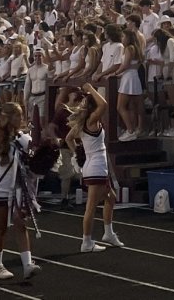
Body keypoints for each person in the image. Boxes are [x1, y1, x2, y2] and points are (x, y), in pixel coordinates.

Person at [0, 96, 40, 281]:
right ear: (7, 117)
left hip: (20, 189)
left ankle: (27, 265)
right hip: (2, 188)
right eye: (17, 115)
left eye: (21, 115)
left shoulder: (23, 137)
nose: (20, 118)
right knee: (1, 229)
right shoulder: (0, 135)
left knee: (21, 225)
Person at [66, 81, 125, 251]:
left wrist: (78, 152)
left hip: (95, 165)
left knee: (111, 197)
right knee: (91, 207)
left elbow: (69, 139)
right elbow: (104, 104)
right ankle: (86, 242)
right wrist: (90, 88)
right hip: (96, 167)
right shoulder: (91, 120)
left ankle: (108, 233)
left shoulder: (83, 123)